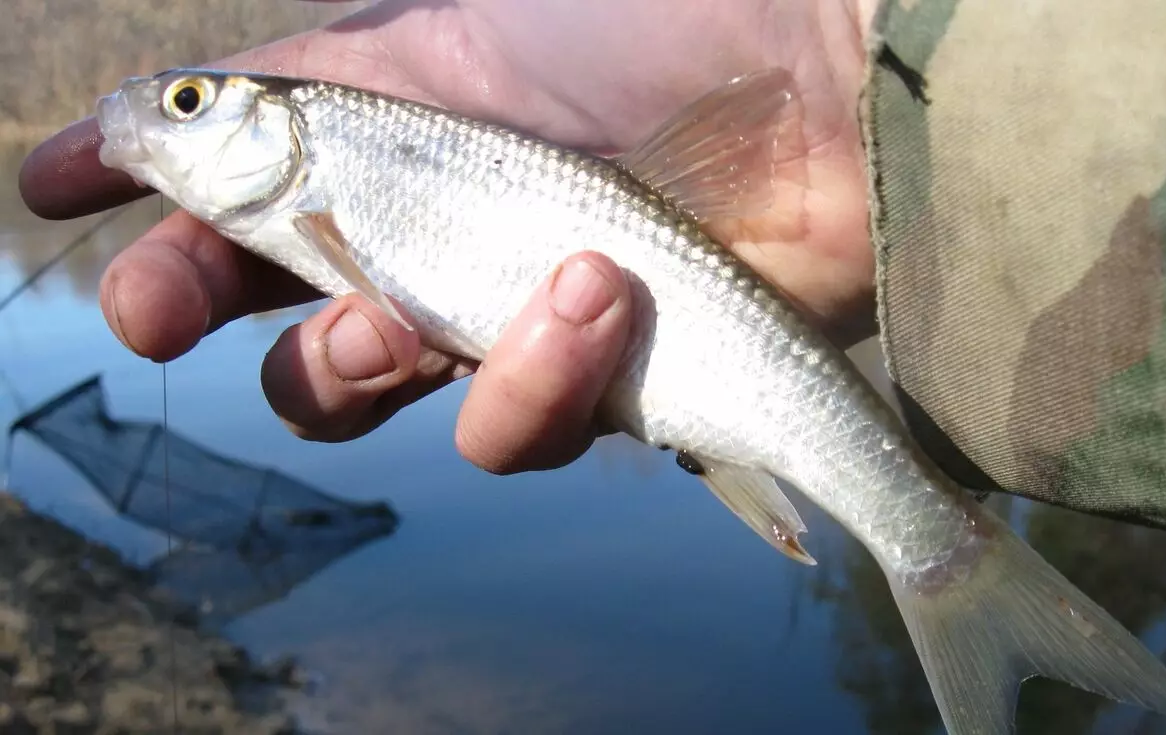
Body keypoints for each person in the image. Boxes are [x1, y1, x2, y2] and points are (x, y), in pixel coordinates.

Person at [19, 0, 878, 475]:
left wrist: (842, 29)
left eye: (188, 103)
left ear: (283, 130)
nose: (162, 104)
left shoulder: (328, 151)